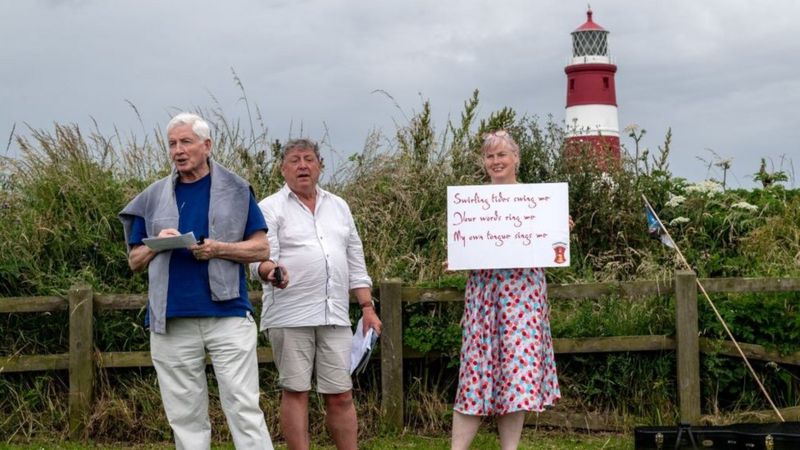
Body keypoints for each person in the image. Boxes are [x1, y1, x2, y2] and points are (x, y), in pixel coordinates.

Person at [119, 112, 273, 450]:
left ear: (207, 145)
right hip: (171, 318)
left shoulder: (237, 189)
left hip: (228, 315)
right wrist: (155, 243)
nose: (178, 150)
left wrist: (219, 249)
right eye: (172, 144)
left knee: (244, 408)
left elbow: (261, 248)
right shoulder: (151, 196)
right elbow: (134, 261)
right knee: (185, 417)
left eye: (186, 142)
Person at [250, 138, 382, 450]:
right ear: (282, 169)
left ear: (320, 165)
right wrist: (271, 271)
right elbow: (259, 259)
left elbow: (355, 260)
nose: (302, 166)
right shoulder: (269, 207)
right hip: (290, 315)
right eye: (294, 160)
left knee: (341, 394)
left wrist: (367, 307)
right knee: (296, 391)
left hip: (335, 315)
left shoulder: (339, 206)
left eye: (308, 159)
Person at [450, 130, 562, 450]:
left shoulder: (539, 200)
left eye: (502, 154)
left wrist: (559, 229)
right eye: (490, 156)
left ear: (516, 158)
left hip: (524, 297)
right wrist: (456, 255)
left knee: (517, 377)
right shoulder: (472, 203)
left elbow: (553, 245)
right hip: (484, 297)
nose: (496, 161)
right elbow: (466, 245)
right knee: (475, 374)